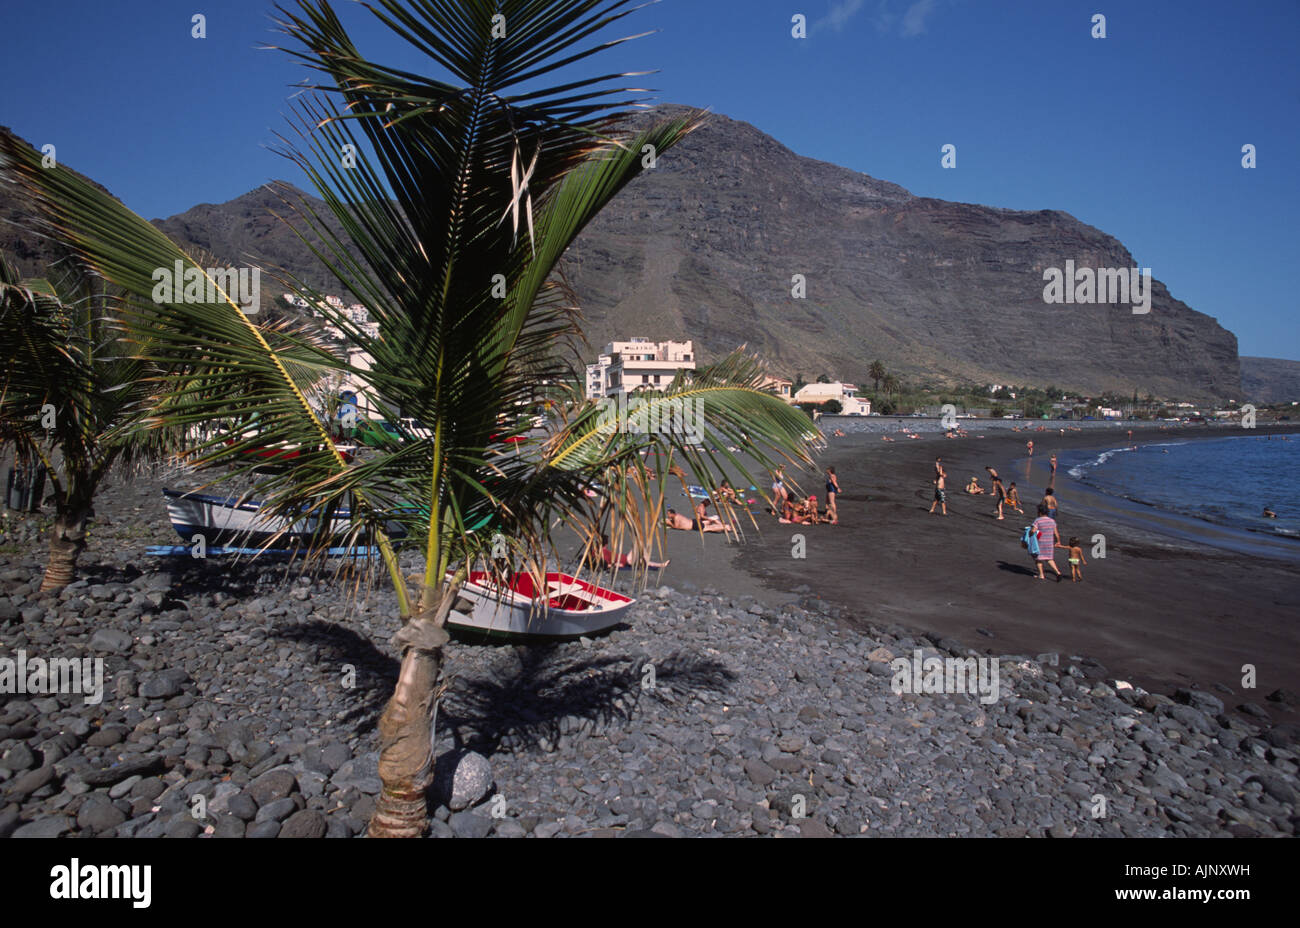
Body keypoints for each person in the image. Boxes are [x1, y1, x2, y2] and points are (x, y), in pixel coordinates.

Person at [600, 533, 669, 570]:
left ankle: (662, 565)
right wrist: (617, 565)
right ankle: (656, 563)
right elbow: (606, 565)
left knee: (642, 561)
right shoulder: (603, 554)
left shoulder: (600, 550)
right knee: (639, 543)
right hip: (627, 560)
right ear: (606, 543)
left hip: (625, 558)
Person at [1032, 503, 1062, 581]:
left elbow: (1033, 530)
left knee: (1038, 559)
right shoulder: (1052, 521)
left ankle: (1041, 575)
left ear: (1040, 512)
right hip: (1049, 543)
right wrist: (1058, 541)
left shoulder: (1038, 520)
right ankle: (1058, 572)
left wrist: (1029, 534)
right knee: (1049, 559)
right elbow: (1056, 533)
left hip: (1040, 542)